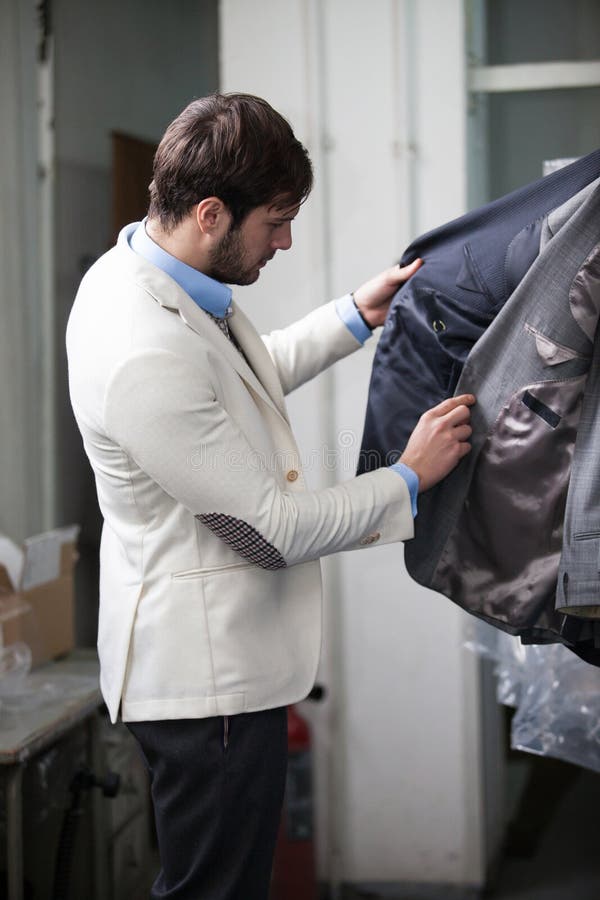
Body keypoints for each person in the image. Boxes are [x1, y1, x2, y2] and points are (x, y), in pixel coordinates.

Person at [66, 93, 474, 900]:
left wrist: (355, 316)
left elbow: (233, 382)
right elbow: (273, 531)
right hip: (205, 685)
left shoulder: (143, 272)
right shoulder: (140, 348)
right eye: (276, 222)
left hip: (213, 671)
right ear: (211, 214)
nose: (285, 242)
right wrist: (408, 476)